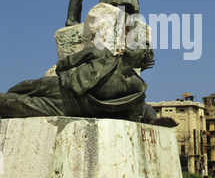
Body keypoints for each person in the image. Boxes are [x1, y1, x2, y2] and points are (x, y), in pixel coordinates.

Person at [0, 45, 175, 127]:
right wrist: (67, 76)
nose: (134, 46)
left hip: (69, 106)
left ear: (142, 59)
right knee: (22, 87)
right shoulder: (100, 54)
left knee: (16, 104)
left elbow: (136, 112)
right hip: (60, 85)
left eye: (141, 48)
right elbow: (66, 63)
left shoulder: (135, 86)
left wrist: (153, 121)